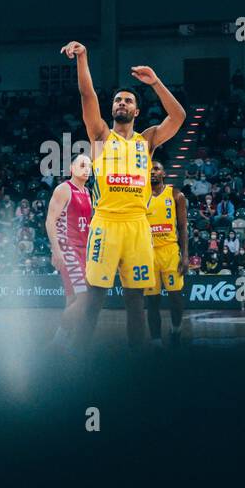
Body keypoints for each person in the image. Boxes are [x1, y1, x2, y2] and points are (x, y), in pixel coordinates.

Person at [59, 40, 186, 348]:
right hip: (106, 223)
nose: (122, 104)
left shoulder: (147, 140)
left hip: (138, 226)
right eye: (118, 100)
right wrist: (83, 57)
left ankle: (136, 363)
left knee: (135, 302)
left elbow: (179, 117)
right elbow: (87, 95)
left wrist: (155, 82)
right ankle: (79, 360)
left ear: (136, 110)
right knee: (94, 299)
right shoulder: (101, 135)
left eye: (128, 101)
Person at [45, 152, 93, 344]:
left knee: (73, 299)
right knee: (85, 297)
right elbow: (50, 221)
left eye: (89, 166)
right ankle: (58, 341)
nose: (87, 169)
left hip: (83, 249)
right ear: (72, 168)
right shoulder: (64, 189)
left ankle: (67, 343)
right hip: (68, 248)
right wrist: (56, 251)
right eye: (82, 165)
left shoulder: (87, 192)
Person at [144, 159, 188, 346]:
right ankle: (156, 341)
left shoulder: (176, 195)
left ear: (164, 174)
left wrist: (185, 256)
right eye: (149, 169)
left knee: (176, 299)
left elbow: (183, 227)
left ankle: (176, 330)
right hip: (148, 253)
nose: (152, 172)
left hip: (170, 251)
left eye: (156, 169)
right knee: (152, 301)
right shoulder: (140, 196)